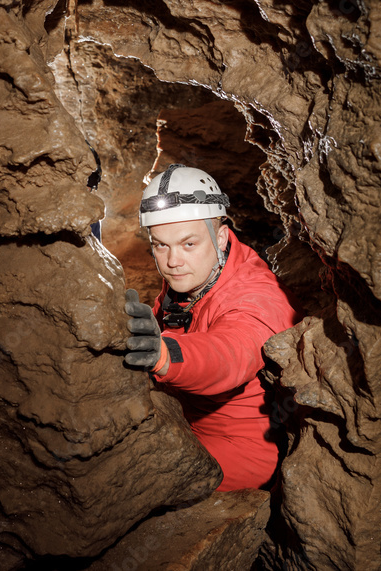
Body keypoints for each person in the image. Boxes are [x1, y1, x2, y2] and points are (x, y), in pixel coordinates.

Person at [123, 164, 300, 491]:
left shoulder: (256, 296)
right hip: (184, 419)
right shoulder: (194, 274)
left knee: (135, 484)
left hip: (239, 448)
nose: (173, 261)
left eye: (188, 244)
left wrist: (163, 354)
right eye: (160, 245)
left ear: (220, 236)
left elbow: (230, 355)